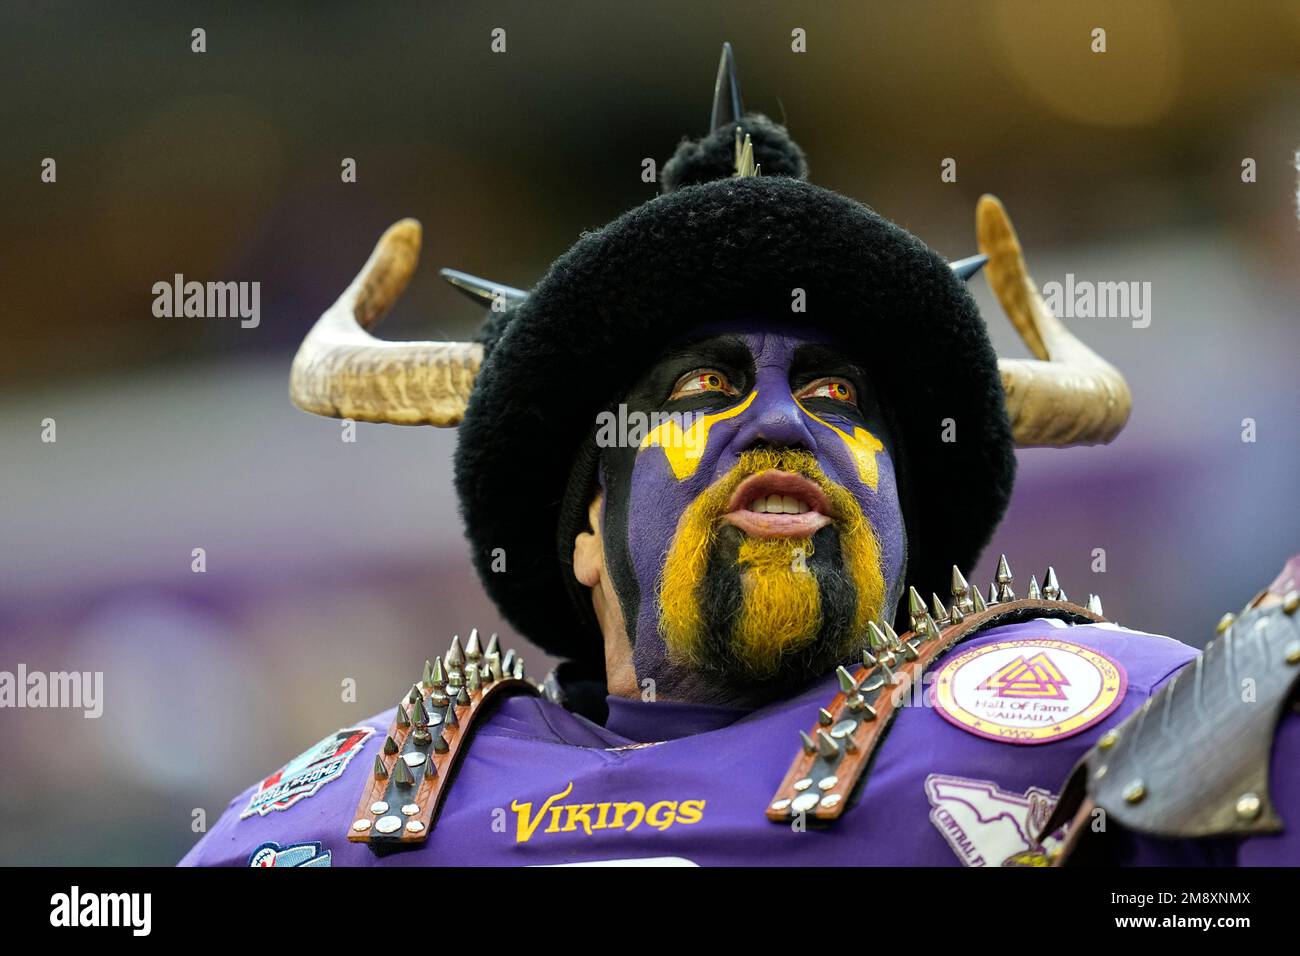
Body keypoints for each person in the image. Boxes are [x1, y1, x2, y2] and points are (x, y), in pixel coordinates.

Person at [181, 44, 1300, 867]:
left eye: (836, 396)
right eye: (704, 388)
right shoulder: (326, 820)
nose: (780, 422)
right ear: (581, 533)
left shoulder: (1121, 724)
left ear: (903, 510)